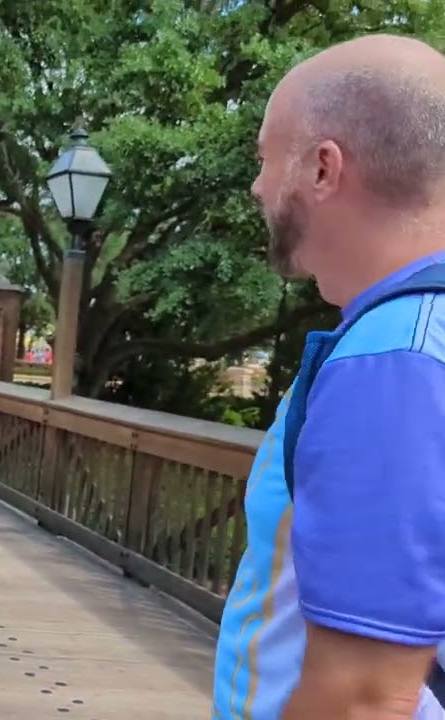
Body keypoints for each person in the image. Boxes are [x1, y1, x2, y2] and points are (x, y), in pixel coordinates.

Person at [213, 34, 445, 719]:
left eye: (266, 157)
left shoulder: (395, 359)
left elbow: (362, 701)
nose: (257, 184)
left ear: (322, 169)